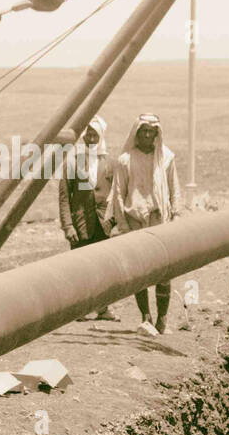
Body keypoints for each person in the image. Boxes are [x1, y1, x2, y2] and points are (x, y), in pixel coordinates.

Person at [106, 112, 182, 334]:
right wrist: (123, 226)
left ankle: (162, 319)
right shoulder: (125, 160)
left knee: (165, 271)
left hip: (160, 221)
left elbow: (174, 189)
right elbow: (119, 194)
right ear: (137, 134)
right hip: (135, 221)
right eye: (144, 132)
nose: (148, 136)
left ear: (157, 134)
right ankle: (145, 317)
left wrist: (176, 216)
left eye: (151, 132)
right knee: (140, 273)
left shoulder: (166, 158)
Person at [58, 116, 117, 320]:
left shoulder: (110, 163)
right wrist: (68, 226)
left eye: (95, 134)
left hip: (103, 224)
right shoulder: (73, 161)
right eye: (88, 134)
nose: (91, 138)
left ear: (101, 136)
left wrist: (113, 221)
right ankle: (79, 310)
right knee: (79, 268)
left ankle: (103, 309)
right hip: (80, 224)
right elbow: (65, 197)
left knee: (104, 267)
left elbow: (116, 194)